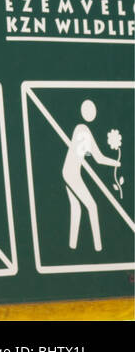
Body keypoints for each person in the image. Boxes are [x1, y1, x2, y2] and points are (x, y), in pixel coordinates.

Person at [63, 99, 121, 251]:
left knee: (76, 208)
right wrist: (117, 163)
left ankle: (71, 246)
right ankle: (99, 247)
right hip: (72, 174)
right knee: (92, 206)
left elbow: (86, 151)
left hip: (67, 172)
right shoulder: (84, 130)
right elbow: (99, 158)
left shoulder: (79, 129)